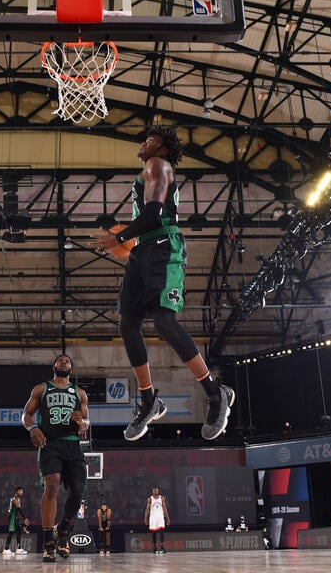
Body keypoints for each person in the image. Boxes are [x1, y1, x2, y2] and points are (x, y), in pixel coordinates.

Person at [90, 126, 235, 442]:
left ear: (165, 149)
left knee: (164, 321)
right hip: (143, 250)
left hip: (163, 246)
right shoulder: (148, 171)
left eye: (152, 139)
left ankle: (215, 394)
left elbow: (155, 213)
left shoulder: (158, 165)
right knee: (128, 325)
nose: (144, 141)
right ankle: (148, 401)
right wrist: (126, 241)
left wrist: (118, 236)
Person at [22, 354, 90, 562]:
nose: (63, 362)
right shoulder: (41, 389)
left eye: (67, 361)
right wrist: (33, 427)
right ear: (54, 366)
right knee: (52, 485)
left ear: (71, 367)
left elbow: (86, 423)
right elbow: (26, 415)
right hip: (50, 443)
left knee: (78, 493)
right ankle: (48, 543)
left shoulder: (79, 393)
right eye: (60, 360)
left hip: (72, 444)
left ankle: (62, 530)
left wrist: (81, 422)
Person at [2, 486, 30, 556]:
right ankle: (6, 549)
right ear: (16, 492)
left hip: (15, 517)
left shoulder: (18, 499)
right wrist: (25, 518)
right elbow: (18, 509)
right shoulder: (15, 499)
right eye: (20, 491)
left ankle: (19, 548)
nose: (21, 492)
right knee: (11, 532)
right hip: (12, 517)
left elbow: (18, 510)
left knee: (19, 530)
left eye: (22, 491)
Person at [146, 486, 170, 554]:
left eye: (156, 490)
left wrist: (167, 518)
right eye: (154, 490)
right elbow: (147, 509)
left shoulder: (161, 498)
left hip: (160, 517)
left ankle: (162, 547)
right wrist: (146, 518)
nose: (155, 491)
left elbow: (165, 508)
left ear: (158, 491)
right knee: (154, 533)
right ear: (152, 491)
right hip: (153, 517)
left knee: (161, 531)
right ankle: (155, 548)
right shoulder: (150, 499)